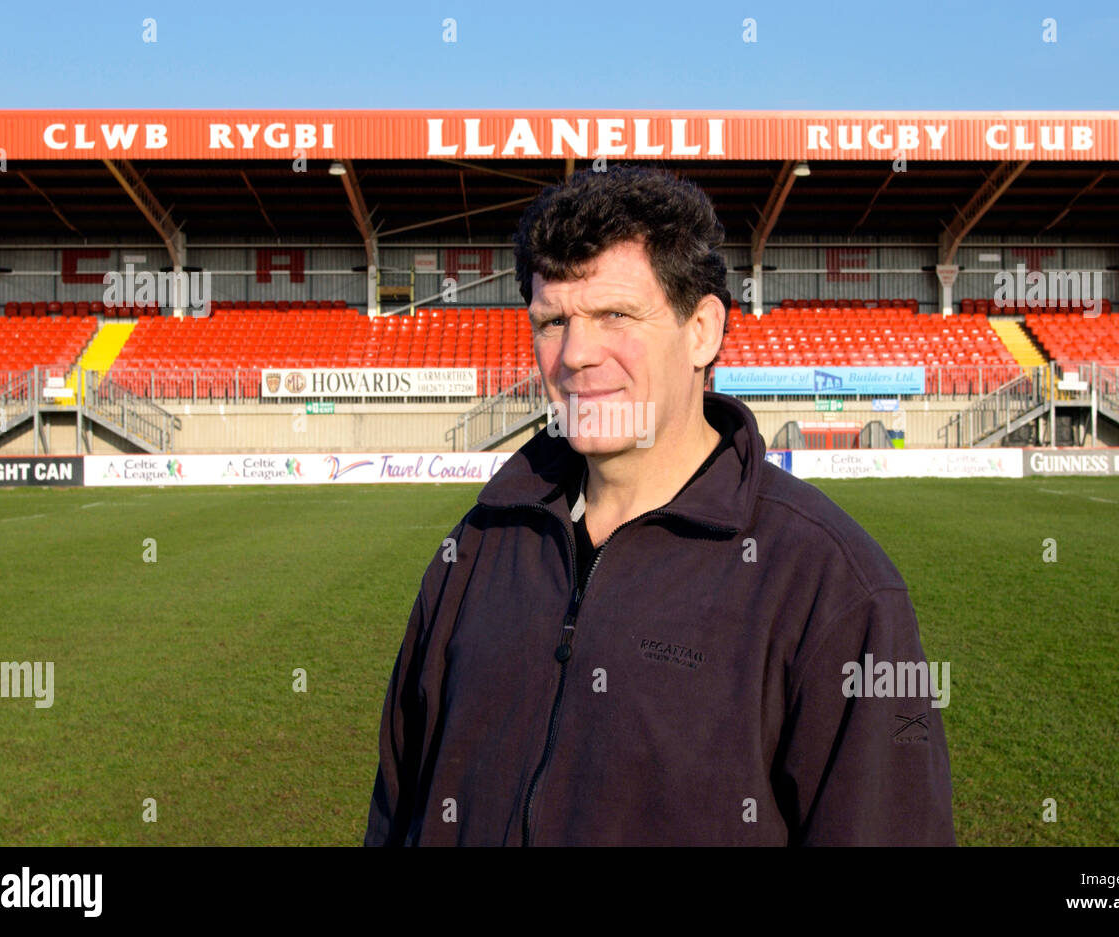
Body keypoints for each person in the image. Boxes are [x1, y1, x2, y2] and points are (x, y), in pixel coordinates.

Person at [364, 165, 955, 846]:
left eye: (615, 314)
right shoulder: (474, 547)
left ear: (701, 330)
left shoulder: (833, 586)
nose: (576, 354)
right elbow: (398, 803)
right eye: (552, 321)